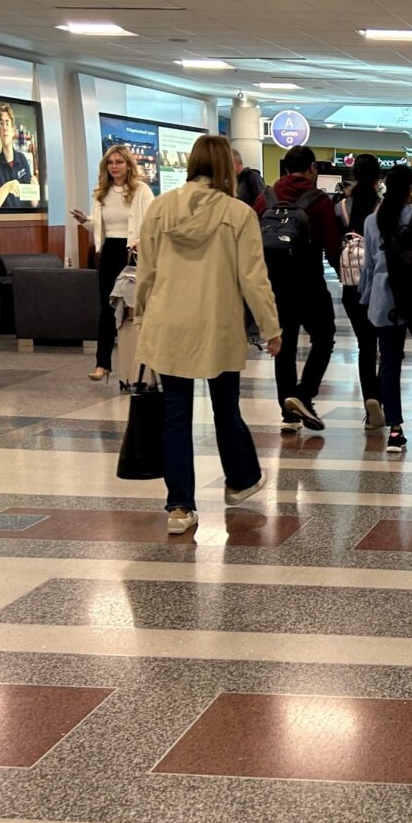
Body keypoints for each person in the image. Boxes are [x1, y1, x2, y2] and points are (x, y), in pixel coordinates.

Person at [134, 135, 281, 535]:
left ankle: (179, 507)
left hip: (169, 324)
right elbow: (253, 278)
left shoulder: (160, 209)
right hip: (217, 324)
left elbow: (145, 271)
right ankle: (241, 481)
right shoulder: (238, 214)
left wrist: (141, 314)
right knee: (225, 409)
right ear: (226, 168)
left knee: (176, 416)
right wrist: (271, 327)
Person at [358, 165, 412, 453]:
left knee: (389, 362)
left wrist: (365, 298)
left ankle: (395, 430)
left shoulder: (373, 221)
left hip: (386, 300)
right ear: (411, 189)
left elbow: (369, 267)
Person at [253, 145, 341, 432]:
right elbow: (331, 246)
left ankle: (288, 411)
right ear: (312, 168)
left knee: (284, 345)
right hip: (310, 283)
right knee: (324, 337)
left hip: (274, 285)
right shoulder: (319, 201)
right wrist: (346, 276)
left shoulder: (264, 199)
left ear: (285, 169)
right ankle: (304, 394)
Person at [71, 146, 155, 382]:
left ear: (128, 165)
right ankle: (102, 363)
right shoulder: (101, 192)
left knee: (134, 308)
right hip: (109, 252)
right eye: (110, 162)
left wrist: (140, 242)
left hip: (133, 253)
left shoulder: (141, 190)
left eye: (119, 162)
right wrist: (86, 222)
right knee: (107, 308)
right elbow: (101, 227)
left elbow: (150, 222)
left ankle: (142, 365)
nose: (114, 166)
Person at [336, 153, 383, 432]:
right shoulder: (382, 208)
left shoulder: (340, 207)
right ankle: (381, 396)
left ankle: (370, 401)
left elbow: (332, 246)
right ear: (379, 177)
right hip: (378, 284)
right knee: (385, 346)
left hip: (351, 285)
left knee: (365, 346)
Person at [0, 103, 39, 210]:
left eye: (7, 123)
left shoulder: (23, 160)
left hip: (27, 222)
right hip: (6, 224)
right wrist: (8, 187)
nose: (4, 127)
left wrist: (36, 190)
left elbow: (34, 203)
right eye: (1, 123)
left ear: (13, 130)